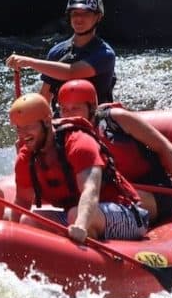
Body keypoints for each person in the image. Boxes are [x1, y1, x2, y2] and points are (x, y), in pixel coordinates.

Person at [8, 92, 149, 243]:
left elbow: (90, 190)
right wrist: (10, 236)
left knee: (75, 215)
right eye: (19, 128)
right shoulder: (26, 158)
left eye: (28, 127)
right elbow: (22, 201)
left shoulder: (79, 143)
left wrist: (81, 224)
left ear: (47, 121)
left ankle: (90, 260)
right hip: (75, 215)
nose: (22, 134)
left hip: (129, 215)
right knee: (28, 221)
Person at [56, 80, 172, 224]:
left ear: (91, 108)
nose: (68, 116)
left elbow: (163, 146)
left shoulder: (118, 119)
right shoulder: (63, 134)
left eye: (75, 108)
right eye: (64, 109)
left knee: (92, 202)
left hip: (153, 191)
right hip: (109, 193)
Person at [5, 0, 116, 108]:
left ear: (98, 17)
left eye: (85, 14)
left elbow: (72, 72)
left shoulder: (105, 54)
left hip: (96, 119)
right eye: (75, 14)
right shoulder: (56, 52)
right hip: (64, 119)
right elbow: (45, 96)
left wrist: (29, 62)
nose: (79, 19)